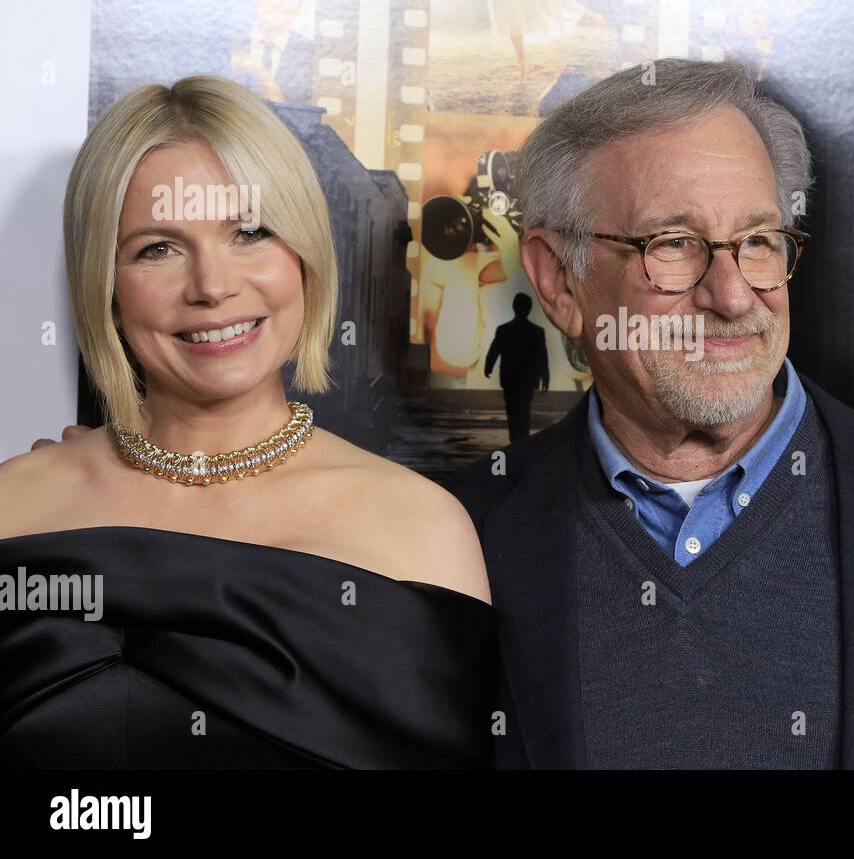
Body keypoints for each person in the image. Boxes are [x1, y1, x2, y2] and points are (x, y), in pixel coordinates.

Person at [446, 58, 854, 768]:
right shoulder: (455, 540)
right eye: (674, 245)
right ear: (560, 281)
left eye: (756, 242)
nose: (734, 294)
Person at [0, 75, 494, 768]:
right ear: (104, 286)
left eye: (250, 233)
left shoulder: (419, 526)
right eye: (157, 248)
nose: (212, 286)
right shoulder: (15, 504)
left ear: (304, 257)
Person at [485, 292, 550, 441]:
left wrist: (488, 367)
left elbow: (494, 350)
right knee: (524, 411)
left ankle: (515, 441)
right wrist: (545, 379)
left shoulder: (504, 330)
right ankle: (522, 441)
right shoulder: (537, 332)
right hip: (527, 380)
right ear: (529, 309)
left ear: (514, 307)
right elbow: (542, 358)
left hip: (510, 379)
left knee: (512, 412)